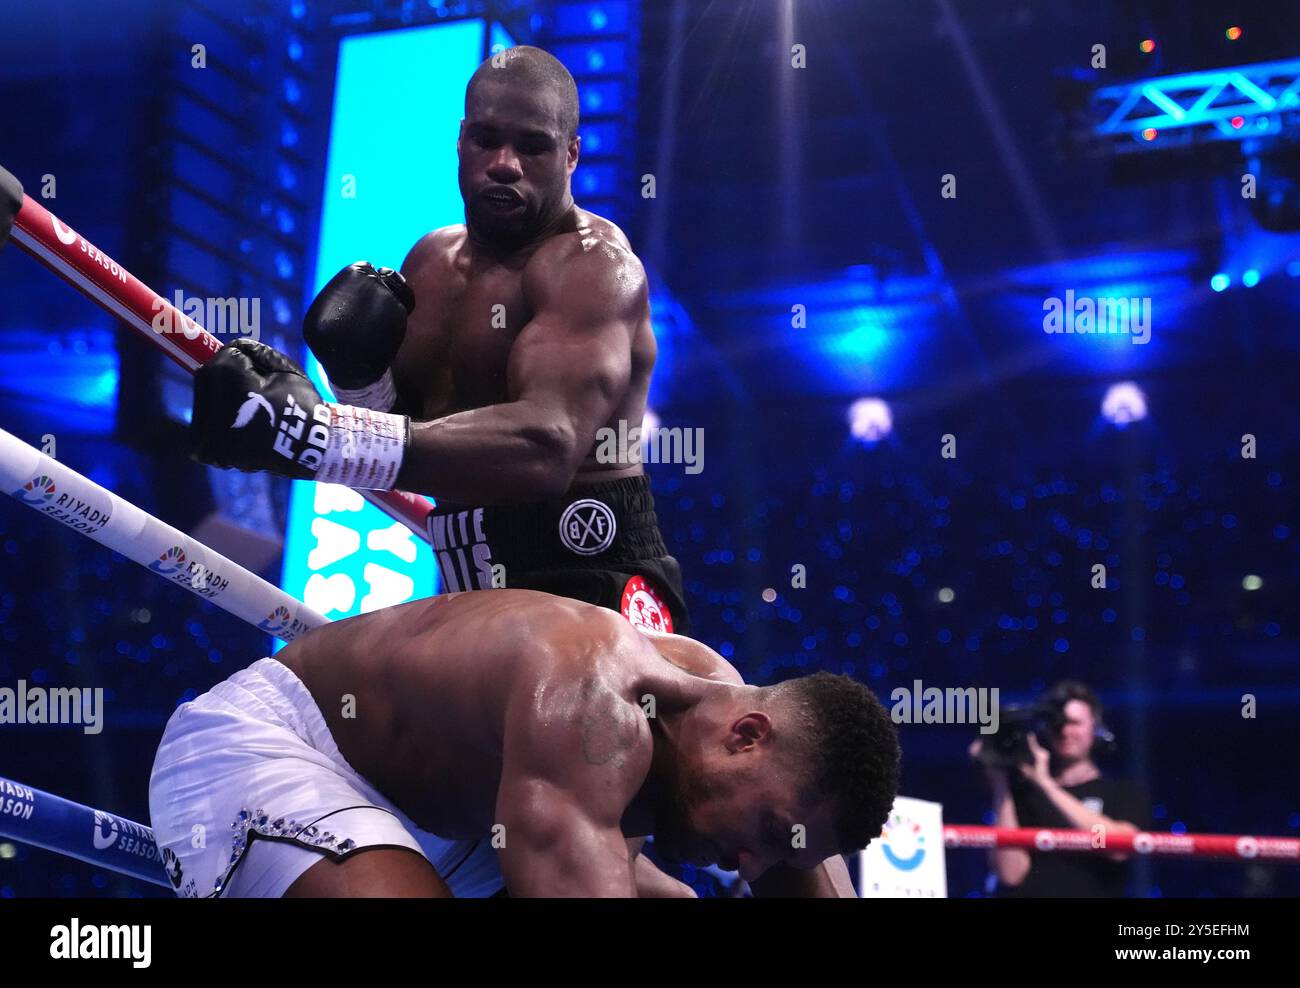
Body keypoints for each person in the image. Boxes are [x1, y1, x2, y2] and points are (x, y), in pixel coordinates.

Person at [187, 46, 688, 633]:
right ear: (460, 141)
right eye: (486, 139)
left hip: (591, 577)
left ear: (572, 154)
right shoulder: (429, 262)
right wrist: (356, 381)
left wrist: (316, 437)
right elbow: (409, 437)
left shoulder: (594, 269)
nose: (504, 164)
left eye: (533, 146)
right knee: (310, 698)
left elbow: (545, 448)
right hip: (467, 578)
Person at [148, 588, 901, 898]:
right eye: (767, 835)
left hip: (440, 822)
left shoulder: (732, 721)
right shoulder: (590, 700)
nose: (750, 866)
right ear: (746, 736)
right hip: (275, 751)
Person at [970, 680, 1151, 897]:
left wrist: (1047, 784)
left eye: (1075, 722)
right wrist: (1001, 784)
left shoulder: (1120, 792)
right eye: (1058, 723)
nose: (1066, 731)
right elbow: (1010, 874)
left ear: (1096, 727)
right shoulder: (1025, 795)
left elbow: (1117, 846)